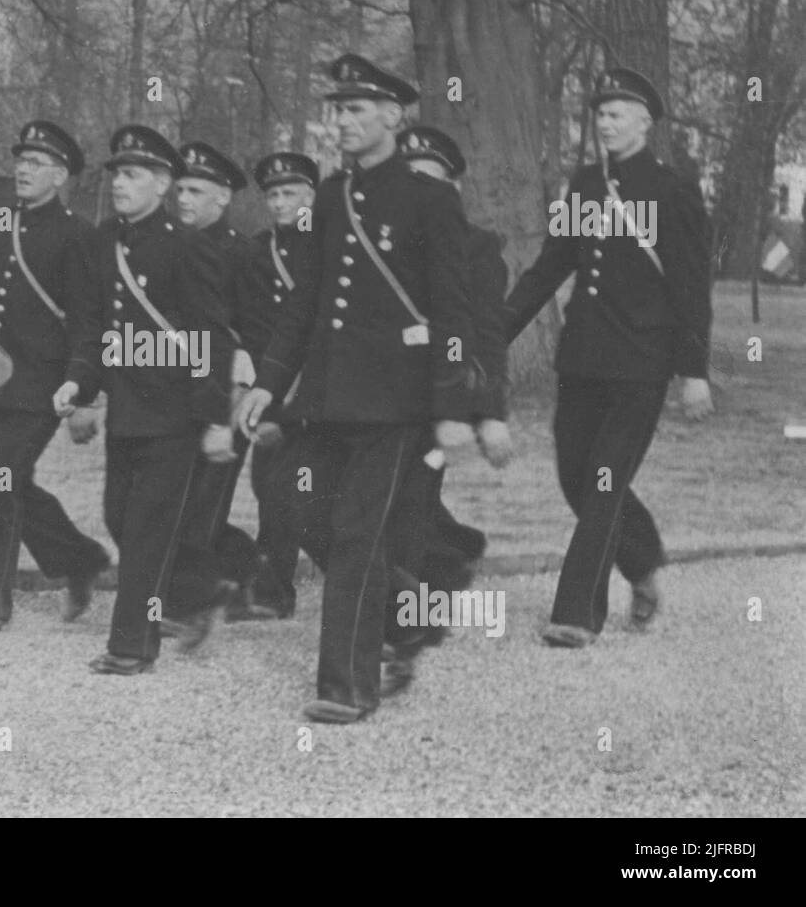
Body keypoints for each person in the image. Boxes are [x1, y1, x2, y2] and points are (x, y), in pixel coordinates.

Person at [234, 54, 478, 724]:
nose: (340, 121)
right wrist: (268, 382)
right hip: (326, 400)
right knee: (295, 504)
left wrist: (454, 403)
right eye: (336, 109)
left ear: (394, 117)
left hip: (397, 404)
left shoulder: (430, 198)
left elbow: (454, 310)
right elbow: (303, 304)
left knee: (358, 532)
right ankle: (410, 612)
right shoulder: (328, 200)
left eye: (355, 109)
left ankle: (347, 684)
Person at [505, 67, 713, 648]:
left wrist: (694, 371)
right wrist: (496, 331)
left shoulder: (672, 189)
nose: (606, 122)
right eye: (600, 113)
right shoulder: (586, 184)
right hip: (582, 358)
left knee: (602, 482)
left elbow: (692, 286)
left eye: (619, 112)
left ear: (645, 123)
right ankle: (643, 563)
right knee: (577, 477)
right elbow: (552, 265)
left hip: (642, 361)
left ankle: (576, 612)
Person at [53, 125, 236, 675]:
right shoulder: (101, 240)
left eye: (133, 175)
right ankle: (196, 593)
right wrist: (78, 384)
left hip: (175, 410)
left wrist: (214, 416)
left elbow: (211, 336)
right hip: (127, 409)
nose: (120, 184)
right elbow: (91, 325)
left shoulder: (187, 246)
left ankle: (131, 645)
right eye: (116, 174)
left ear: (163, 184)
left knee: (147, 527)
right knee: (119, 518)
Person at [0, 120, 112, 632]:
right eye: (20, 160)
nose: (22, 169)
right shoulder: (0, 221)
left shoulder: (78, 235)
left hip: (44, 385)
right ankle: (79, 558)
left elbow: (90, 321)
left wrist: (87, 393)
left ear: (61, 175)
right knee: (8, 480)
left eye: (36, 162)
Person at [161, 140, 272, 647]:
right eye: (179, 188)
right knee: (178, 499)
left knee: (203, 502)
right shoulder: (167, 245)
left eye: (195, 190)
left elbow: (256, 333)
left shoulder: (243, 254)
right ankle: (246, 566)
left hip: (230, 394)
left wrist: (237, 402)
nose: (183, 198)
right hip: (176, 392)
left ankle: (189, 606)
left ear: (222, 198)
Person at [397, 125, 512, 592]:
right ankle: (454, 547)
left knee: (411, 491)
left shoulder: (477, 248)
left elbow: (486, 335)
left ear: (454, 189)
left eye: (429, 179)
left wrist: (488, 413)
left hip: (438, 391)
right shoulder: (375, 241)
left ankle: (407, 614)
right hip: (373, 388)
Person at [231, 151, 320, 622]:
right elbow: (249, 325)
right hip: (272, 387)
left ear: (313, 197)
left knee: (301, 493)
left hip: (324, 390)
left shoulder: (332, 247)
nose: (281, 203)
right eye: (274, 194)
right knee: (271, 486)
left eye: (292, 193)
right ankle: (273, 590)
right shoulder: (256, 252)